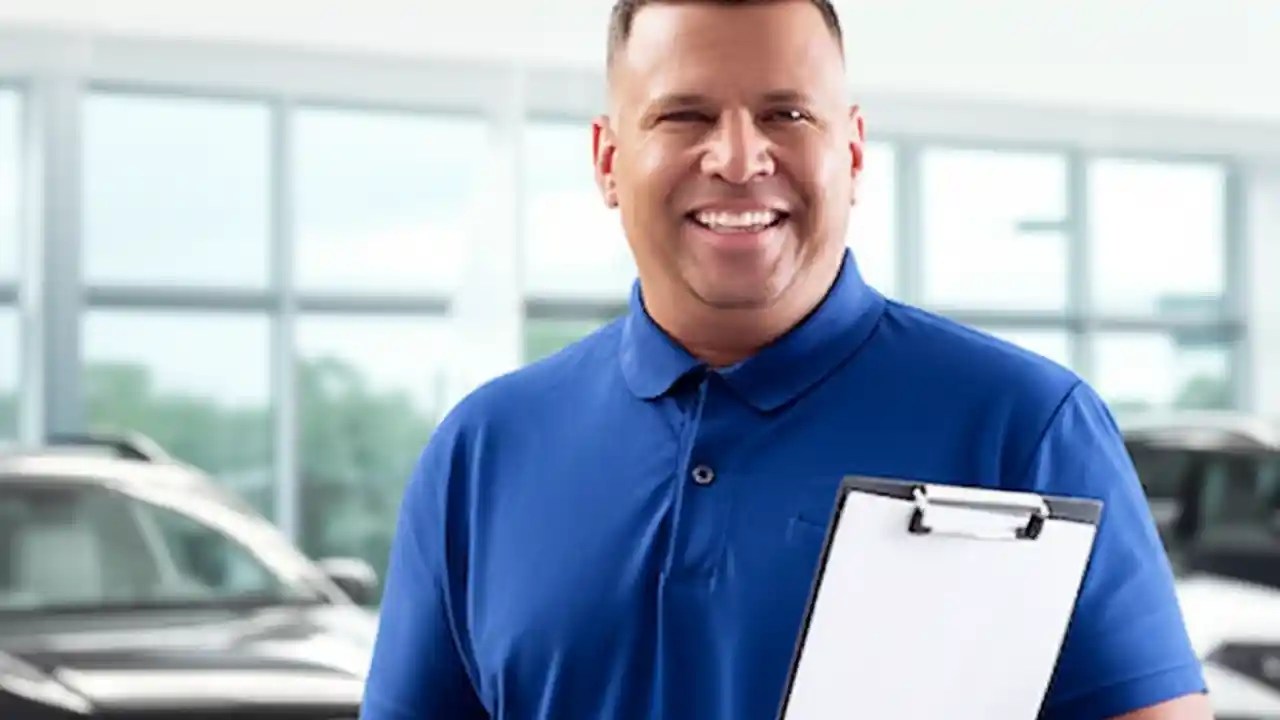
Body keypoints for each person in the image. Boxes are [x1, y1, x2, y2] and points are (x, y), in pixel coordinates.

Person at [360, 1, 1213, 718]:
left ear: (850, 151)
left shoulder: (1027, 428)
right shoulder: (486, 448)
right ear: (609, 160)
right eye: (684, 114)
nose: (737, 159)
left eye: (787, 114)